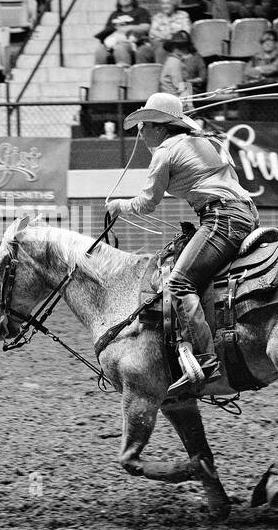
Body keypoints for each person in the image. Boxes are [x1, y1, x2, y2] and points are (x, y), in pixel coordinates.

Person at [105, 92, 258, 396]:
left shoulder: (165, 151)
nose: (141, 131)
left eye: (144, 125)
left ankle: (205, 361)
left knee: (178, 283)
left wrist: (118, 206)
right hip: (244, 213)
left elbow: (148, 203)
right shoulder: (208, 141)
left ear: (160, 127)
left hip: (221, 219)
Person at [93, 0, 151, 66]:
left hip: (133, 42)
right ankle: (101, 75)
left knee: (120, 48)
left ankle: (124, 72)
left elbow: (146, 27)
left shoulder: (140, 11)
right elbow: (107, 30)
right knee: (100, 50)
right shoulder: (114, 14)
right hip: (113, 41)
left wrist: (129, 28)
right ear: (118, 0)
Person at [136, 0, 192, 64]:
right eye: (163, 4)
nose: (165, 6)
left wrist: (168, 37)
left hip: (177, 45)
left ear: (174, 4)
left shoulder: (183, 15)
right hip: (157, 45)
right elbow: (152, 33)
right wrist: (167, 36)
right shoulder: (157, 17)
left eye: (168, 3)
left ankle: (162, 73)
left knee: (162, 47)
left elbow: (185, 33)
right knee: (142, 50)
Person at [159, 31, 206, 100]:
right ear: (173, 47)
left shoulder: (173, 60)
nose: (183, 49)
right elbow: (179, 85)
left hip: (177, 96)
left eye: (184, 46)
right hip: (174, 98)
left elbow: (202, 77)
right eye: (179, 46)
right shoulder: (175, 61)